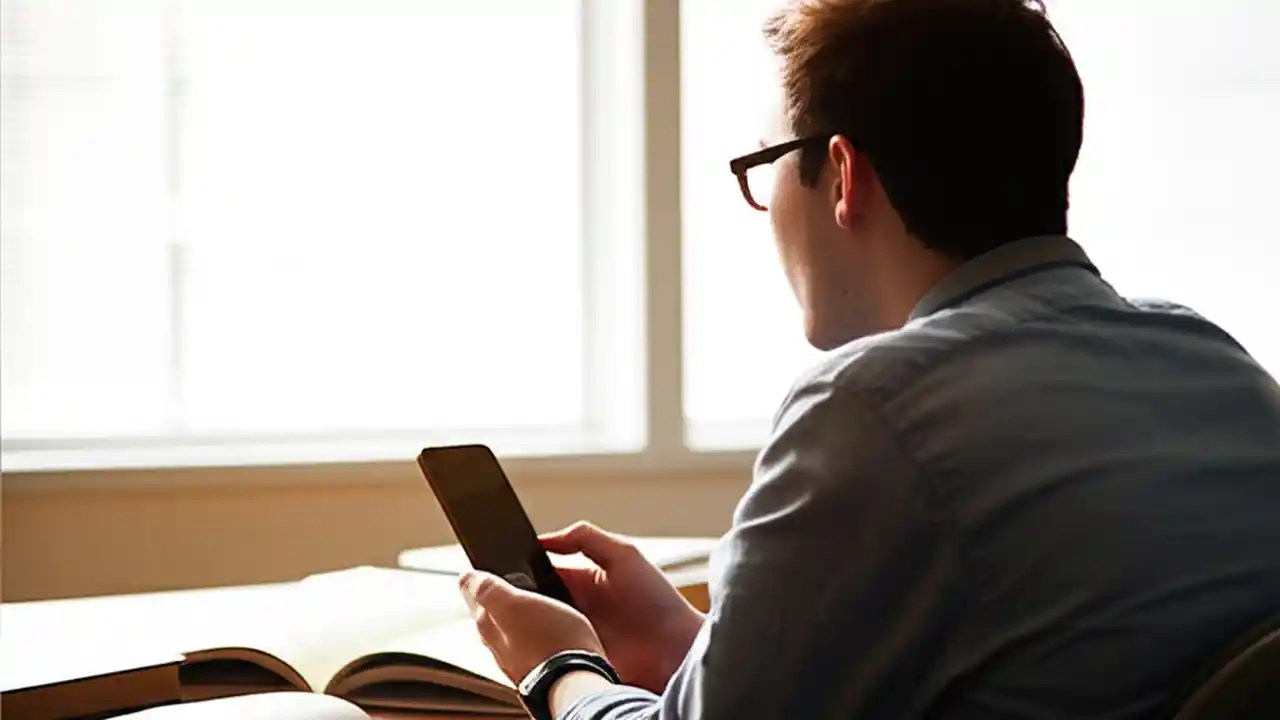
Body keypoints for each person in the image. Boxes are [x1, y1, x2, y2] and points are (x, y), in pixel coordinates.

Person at [459, 0, 1280, 717]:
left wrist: (559, 667)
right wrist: (693, 641)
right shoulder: (1219, 366)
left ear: (843, 174)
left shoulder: (871, 409)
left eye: (765, 165)